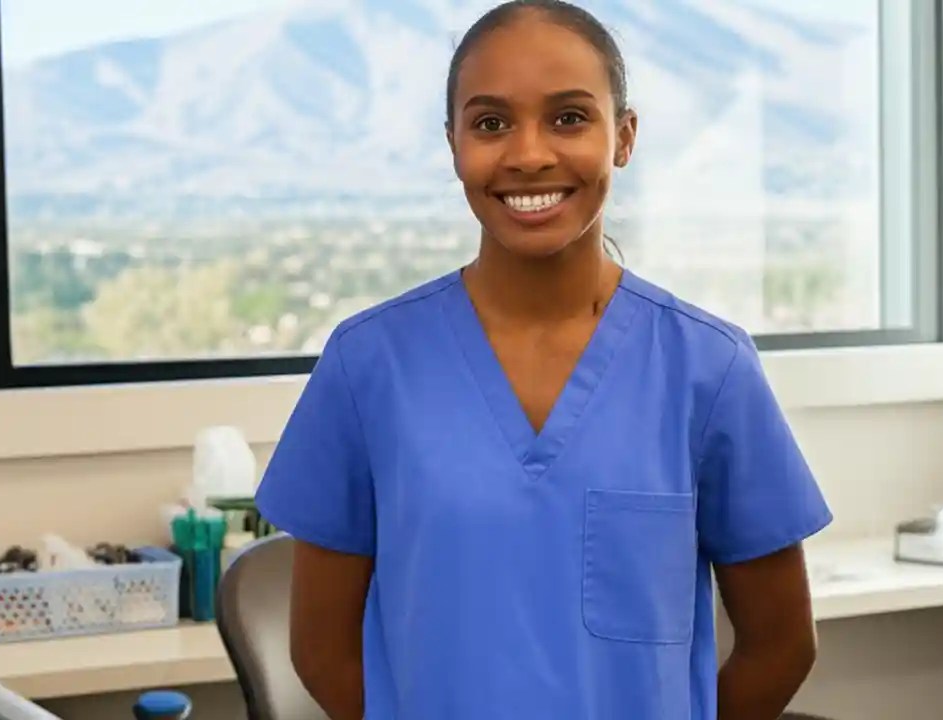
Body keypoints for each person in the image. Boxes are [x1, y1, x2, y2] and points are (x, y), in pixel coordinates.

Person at [254, 2, 833, 718]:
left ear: (624, 137)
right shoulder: (368, 366)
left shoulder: (708, 371)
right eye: (491, 123)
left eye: (568, 118)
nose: (528, 154)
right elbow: (321, 650)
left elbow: (781, 645)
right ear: (453, 143)